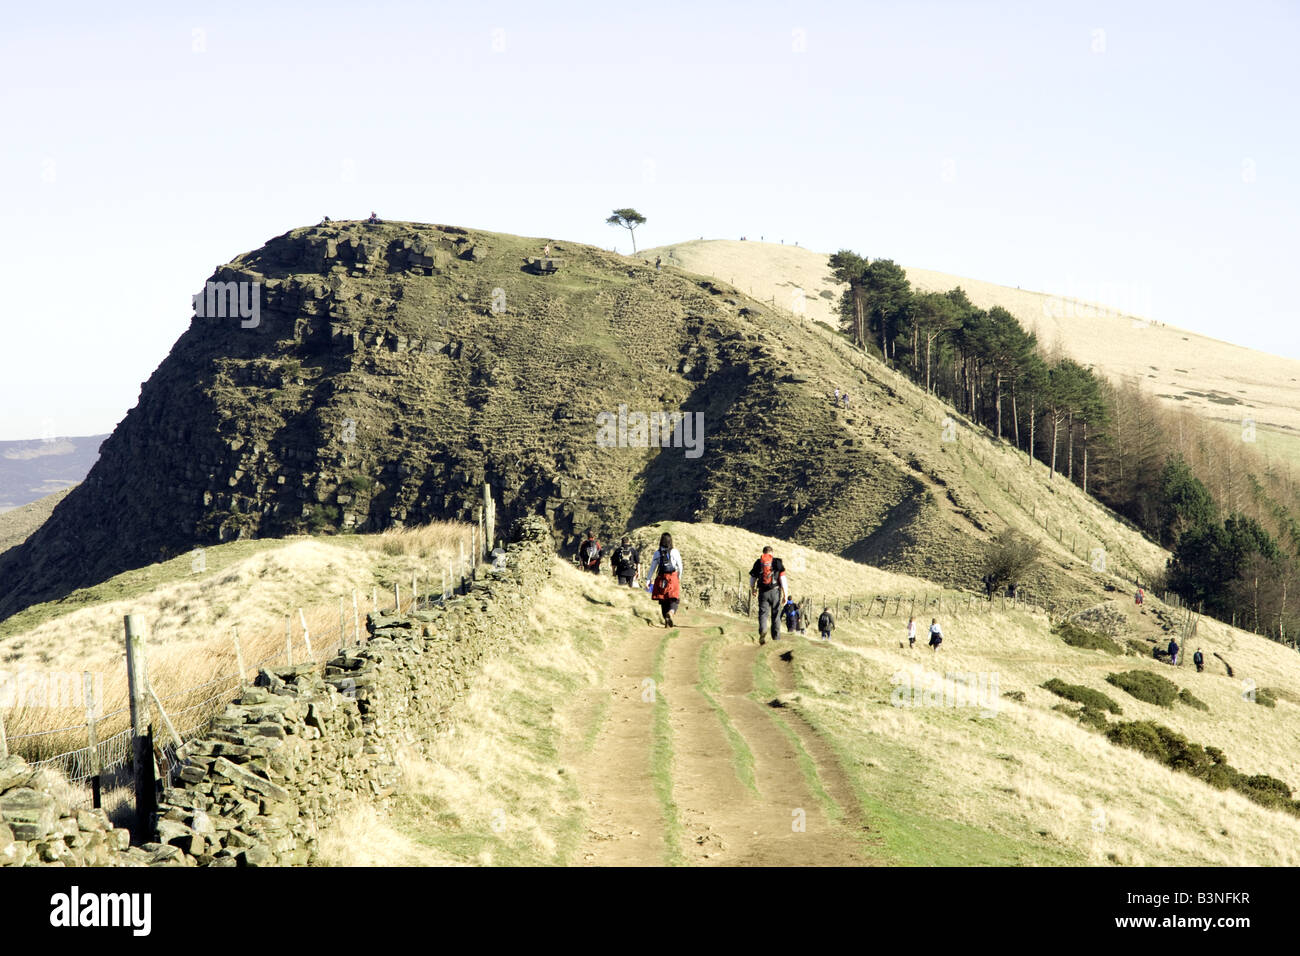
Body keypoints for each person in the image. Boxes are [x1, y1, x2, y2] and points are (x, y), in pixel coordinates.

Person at [749, 545, 789, 645]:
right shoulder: (777, 562)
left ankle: (763, 630)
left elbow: (753, 578)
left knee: (763, 613)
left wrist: (753, 589)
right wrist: (785, 595)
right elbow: (783, 580)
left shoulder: (759, 562)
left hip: (762, 592)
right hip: (775, 592)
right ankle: (776, 638)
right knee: (776, 615)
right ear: (772, 553)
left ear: (763, 553)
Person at [645, 532, 683, 627]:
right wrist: (679, 577)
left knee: (663, 599)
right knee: (674, 598)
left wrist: (648, 580)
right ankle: (670, 613)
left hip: (661, 577)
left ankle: (666, 620)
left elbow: (652, 568)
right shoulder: (674, 552)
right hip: (672, 576)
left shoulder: (657, 553)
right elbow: (680, 566)